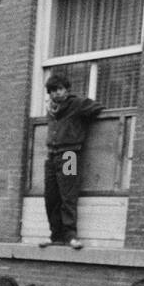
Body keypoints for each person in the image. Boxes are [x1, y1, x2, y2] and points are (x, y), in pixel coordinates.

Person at [41, 73, 103, 249]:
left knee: (68, 196)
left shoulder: (76, 104)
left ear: (67, 89)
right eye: (52, 91)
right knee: (51, 198)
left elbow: (97, 108)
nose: (56, 94)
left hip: (70, 155)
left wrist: (80, 127)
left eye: (59, 89)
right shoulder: (52, 108)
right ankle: (56, 236)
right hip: (52, 156)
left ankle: (70, 236)